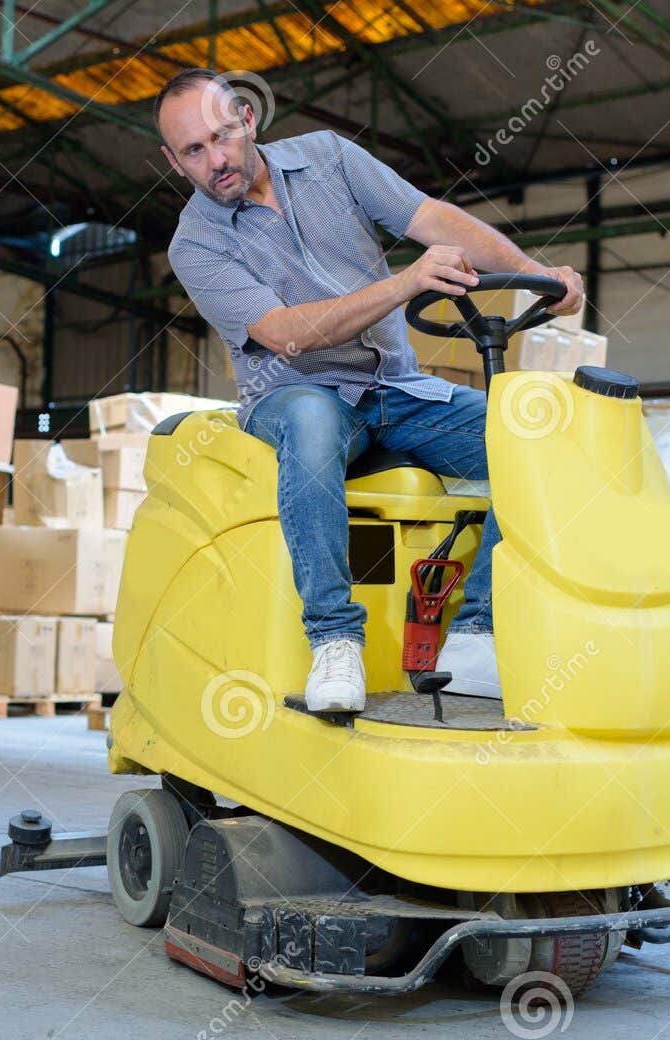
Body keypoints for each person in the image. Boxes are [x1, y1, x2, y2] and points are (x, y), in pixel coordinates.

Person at [155, 68, 583, 712]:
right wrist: (406, 284)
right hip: (299, 392)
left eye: (221, 135)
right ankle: (334, 641)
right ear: (172, 160)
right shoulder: (196, 243)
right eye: (193, 151)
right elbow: (285, 335)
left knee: (531, 444)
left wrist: (533, 273)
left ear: (247, 118)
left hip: (396, 386)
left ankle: (474, 634)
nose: (215, 160)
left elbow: (431, 218)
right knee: (312, 424)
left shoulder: (329, 157)